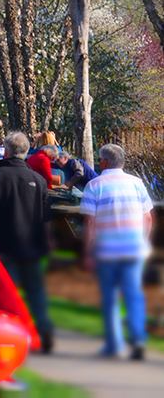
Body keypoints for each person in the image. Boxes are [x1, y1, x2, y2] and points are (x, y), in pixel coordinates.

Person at [0, 132, 54, 353]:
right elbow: (46, 217)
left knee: (4, 293)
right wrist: (46, 241)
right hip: (33, 246)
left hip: (3, 244)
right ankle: (44, 330)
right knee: (36, 292)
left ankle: (4, 335)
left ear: (6, 151)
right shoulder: (38, 180)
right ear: (26, 153)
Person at [80, 144, 154, 360]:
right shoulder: (137, 183)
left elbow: (89, 223)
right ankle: (138, 338)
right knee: (134, 294)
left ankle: (115, 344)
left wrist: (87, 253)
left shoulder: (94, 185)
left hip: (106, 249)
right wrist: (143, 242)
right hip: (133, 247)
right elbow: (147, 218)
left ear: (103, 162)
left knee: (110, 297)